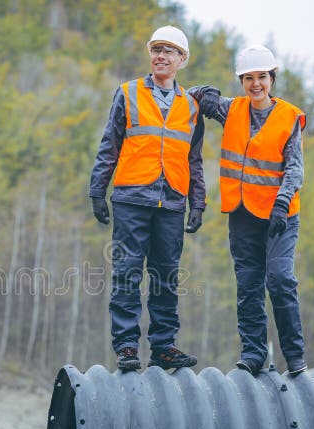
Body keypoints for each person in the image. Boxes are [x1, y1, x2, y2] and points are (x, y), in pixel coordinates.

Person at [88, 25, 206, 372]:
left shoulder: (191, 106)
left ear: (182, 59)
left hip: (171, 201)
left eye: (169, 51)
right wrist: (97, 189)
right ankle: (126, 346)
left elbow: (194, 159)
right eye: (156, 49)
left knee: (166, 276)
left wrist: (198, 202)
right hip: (131, 198)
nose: (161, 56)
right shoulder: (128, 93)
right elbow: (109, 144)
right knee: (127, 272)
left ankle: (163, 346)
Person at [194, 45, 308, 376]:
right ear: (241, 81)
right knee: (248, 285)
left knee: (280, 279)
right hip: (242, 214)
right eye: (248, 78)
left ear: (272, 79)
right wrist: (204, 92)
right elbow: (195, 96)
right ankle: (254, 353)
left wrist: (282, 202)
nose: (255, 84)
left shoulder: (288, 117)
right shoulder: (232, 109)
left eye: (261, 77)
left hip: (279, 217)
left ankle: (294, 355)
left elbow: (295, 168)